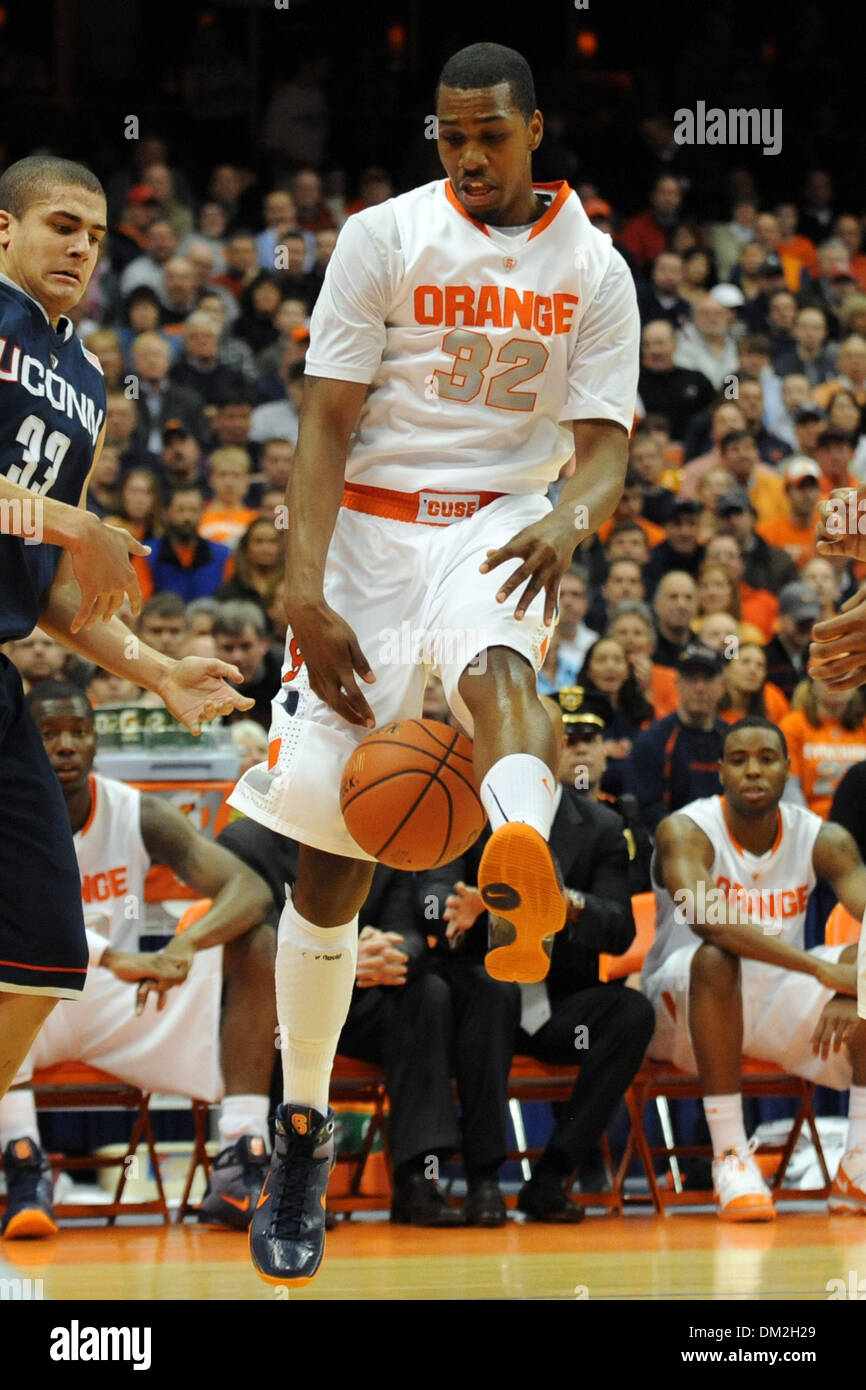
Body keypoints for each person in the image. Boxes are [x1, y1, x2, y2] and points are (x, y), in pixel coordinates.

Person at [227, 42, 640, 1287]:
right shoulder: (380, 235)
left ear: (531, 128)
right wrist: (300, 582)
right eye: (449, 135)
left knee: (504, 674)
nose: (467, 156)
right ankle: (301, 1128)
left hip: (495, 521)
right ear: (435, 134)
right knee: (332, 863)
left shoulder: (595, 267)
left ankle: (518, 867)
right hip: (364, 533)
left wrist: (567, 519)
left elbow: (606, 449)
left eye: (489, 136)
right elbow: (326, 418)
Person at [0, 155, 252, 1122]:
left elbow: (60, 593)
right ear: (6, 232)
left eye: (97, 236)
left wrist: (156, 672)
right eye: (62, 224)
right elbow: (69, 534)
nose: (81, 247)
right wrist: (75, 523)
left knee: (48, 950)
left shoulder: (84, 381)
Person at [0, 682, 275, 1236]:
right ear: (24, 741)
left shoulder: (137, 811)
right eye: (49, 734)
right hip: (34, 1001)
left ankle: (242, 1156)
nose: (67, 746)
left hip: (121, 1004)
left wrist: (184, 944)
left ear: (97, 740)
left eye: (79, 731)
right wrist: (107, 957)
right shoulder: (9, 814)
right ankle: (23, 1164)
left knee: (258, 941)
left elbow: (249, 889)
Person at [644, 717, 866, 1220]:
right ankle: (731, 1156)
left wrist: (851, 989)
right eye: (739, 760)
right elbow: (711, 923)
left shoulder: (823, 838)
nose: (753, 771)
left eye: (767, 758)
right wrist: (819, 969)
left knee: (864, 967)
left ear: (788, 770)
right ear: (720, 771)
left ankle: (858, 1162)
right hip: (679, 1001)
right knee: (718, 959)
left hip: (774, 992)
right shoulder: (684, 830)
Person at [443, 692, 654, 1219]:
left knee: (632, 1013)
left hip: (563, 1008)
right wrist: (455, 910)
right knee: (489, 995)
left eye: (536, 738)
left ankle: (555, 1174)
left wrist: (563, 905)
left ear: (558, 747)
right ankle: (485, 1181)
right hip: (484, 1008)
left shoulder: (602, 826)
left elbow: (620, 930)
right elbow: (432, 903)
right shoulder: (467, 813)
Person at [623, 642, 727, 832]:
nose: (699, 688)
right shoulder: (651, 741)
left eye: (708, 679)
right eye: (691, 678)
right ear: (677, 683)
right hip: (671, 842)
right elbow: (646, 809)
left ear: (723, 685)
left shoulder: (732, 740)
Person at [781, 678, 866, 818]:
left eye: (843, 677)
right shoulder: (793, 725)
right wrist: (809, 828)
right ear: (812, 685)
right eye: (827, 678)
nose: (835, 683)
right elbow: (789, 787)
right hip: (811, 820)